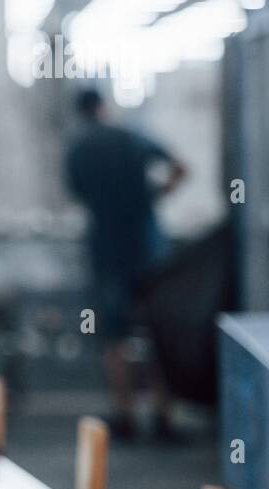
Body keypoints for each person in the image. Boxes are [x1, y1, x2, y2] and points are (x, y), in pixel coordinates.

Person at [64, 88, 185, 441]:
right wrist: (155, 197)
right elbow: (179, 167)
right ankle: (164, 416)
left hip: (107, 251)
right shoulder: (130, 137)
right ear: (102, 108)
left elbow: (78, 194)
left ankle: (126, 415)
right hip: (147, 249)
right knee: (157, 332)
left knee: (115, 337)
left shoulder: (78, 149)